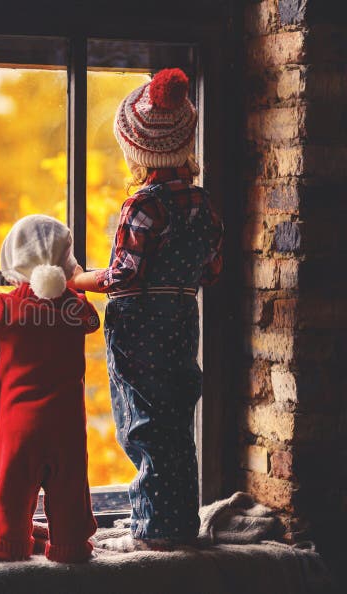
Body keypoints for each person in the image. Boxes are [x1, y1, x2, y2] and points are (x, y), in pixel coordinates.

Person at [70, 68, 223, 549]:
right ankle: (176, 523)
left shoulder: (144, 207)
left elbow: (122, 277)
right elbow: (210, 272)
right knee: (175, 423)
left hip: (139, 329)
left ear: (136, 150)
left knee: (142, 425)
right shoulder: (205, 205)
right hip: (182, 321)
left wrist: (75, 278)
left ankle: (151, 533)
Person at [0, 214, 100, 562]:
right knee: (70, 488)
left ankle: (10, 544)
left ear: (13, 261)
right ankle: (70, 546)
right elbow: (93, 320)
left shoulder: (5, 307)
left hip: (18, 426)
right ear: (66, 263)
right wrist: (72, 284)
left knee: (11, 489)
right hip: (67, 427)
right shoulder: (76, 309)